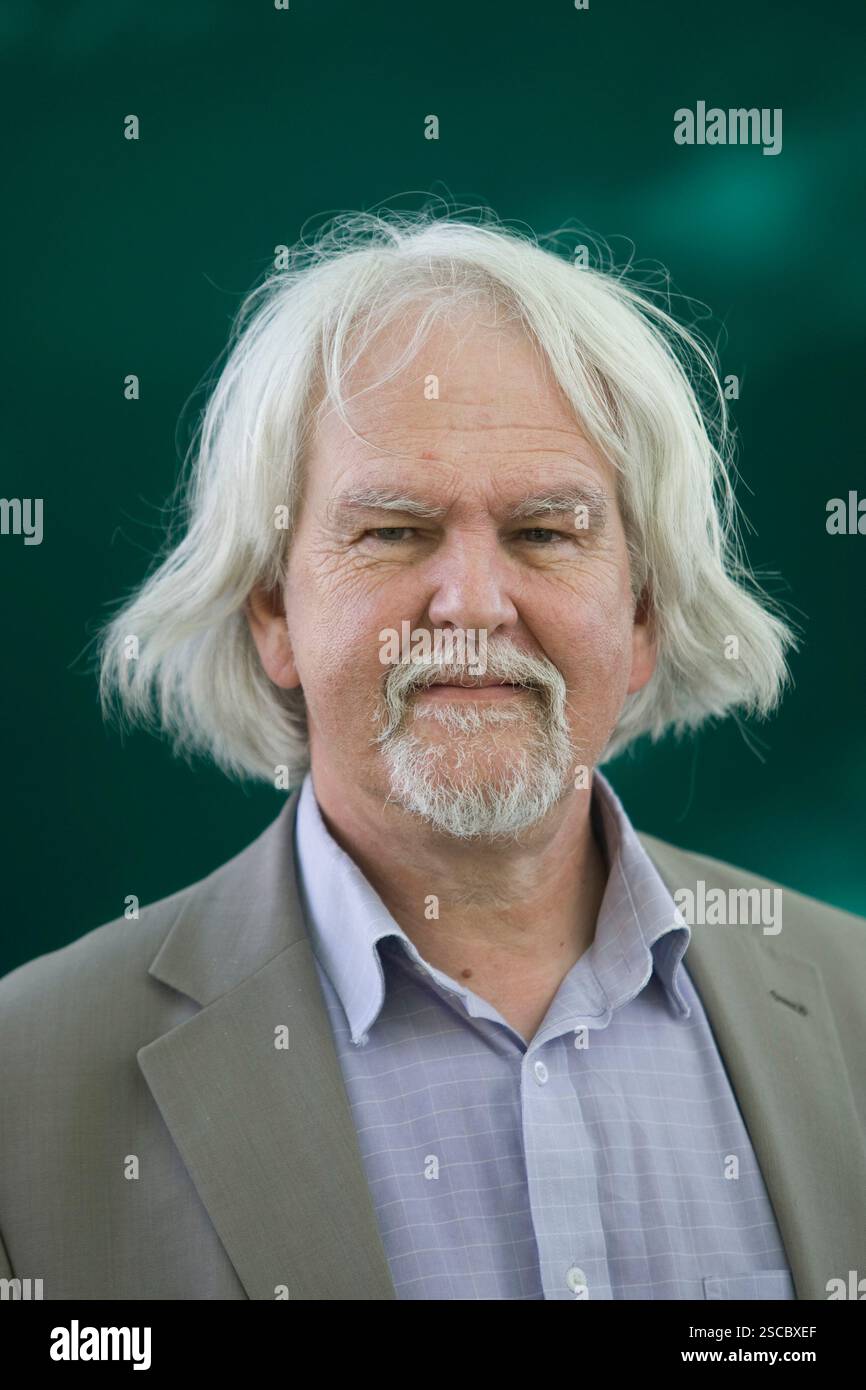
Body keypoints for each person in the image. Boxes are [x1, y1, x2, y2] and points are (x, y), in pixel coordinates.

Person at [1, 211, 864, 1301]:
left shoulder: (853, 1009)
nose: (469, 603)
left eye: (545, 532)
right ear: (272, 607)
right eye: (393, 530)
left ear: (641, 614)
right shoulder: (21, 1092)